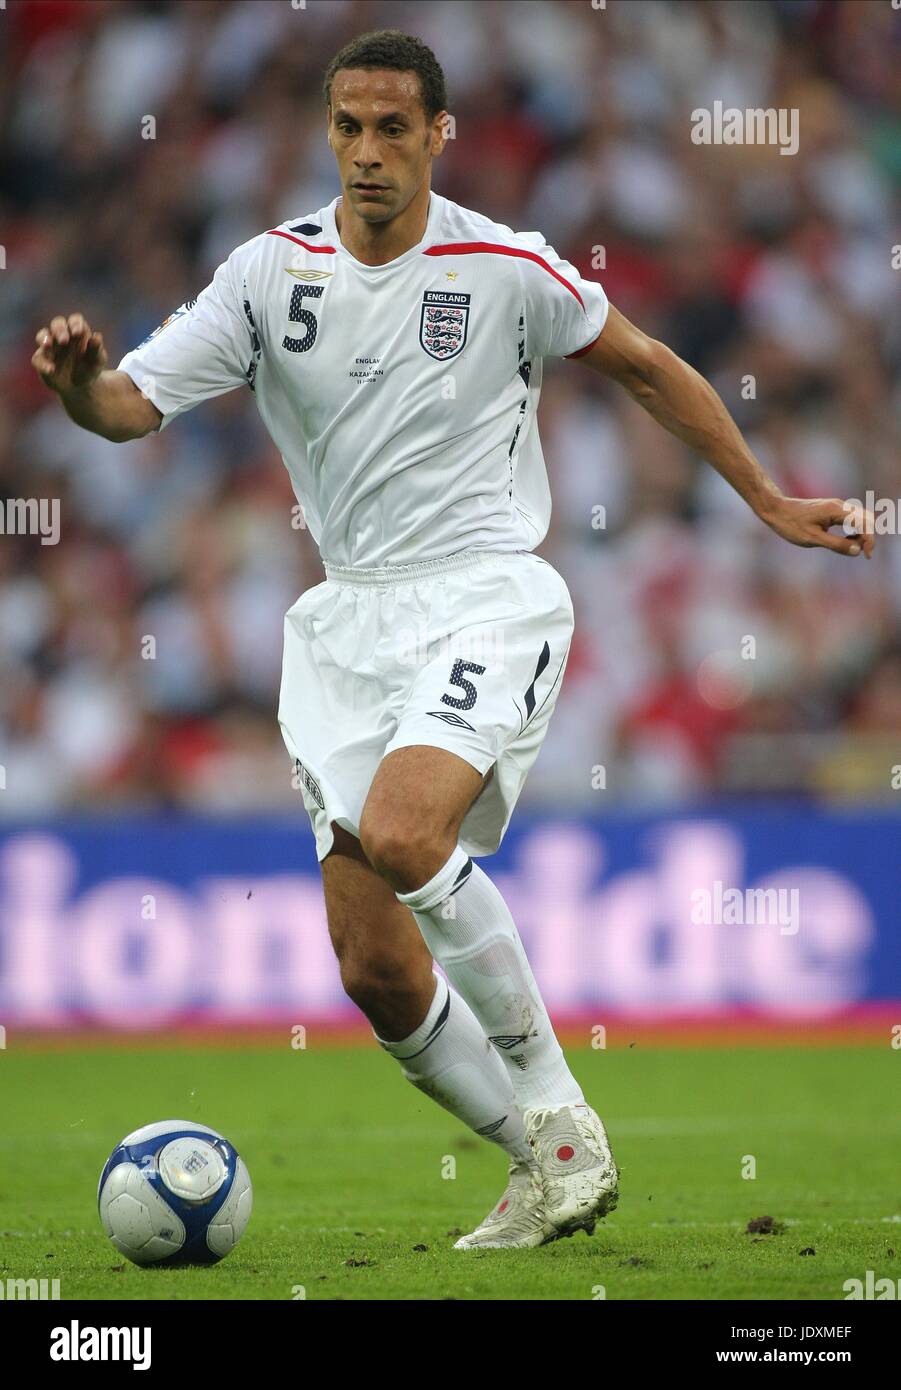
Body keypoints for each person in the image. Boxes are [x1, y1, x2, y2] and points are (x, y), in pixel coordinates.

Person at [31, 29, 874, 1250]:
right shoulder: (268, 277)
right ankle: (542, 1165)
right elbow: (127, 408)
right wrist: (76, 383)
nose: (366, 153)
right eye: (346, 128)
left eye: (391, 128)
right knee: (372, 968)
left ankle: (561, 1114)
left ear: (439, 136)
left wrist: (765, 498)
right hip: (345, 622)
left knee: (407, 828)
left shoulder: (503, 264)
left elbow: (644, 367)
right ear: (327, 133)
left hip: (485, 594)